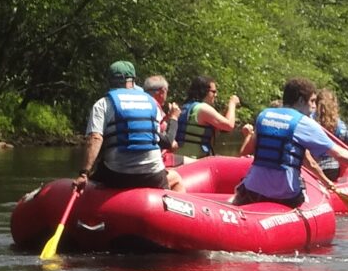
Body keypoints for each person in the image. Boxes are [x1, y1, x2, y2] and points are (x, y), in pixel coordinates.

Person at [234, 79, 348, 208]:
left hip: (253, 189)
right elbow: (339, 154)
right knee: (306, 195)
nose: (314, 106)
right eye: (312, 101)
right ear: (301, 100)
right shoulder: (304, 123)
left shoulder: (264, 115)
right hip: (285, 194)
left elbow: (249, 149)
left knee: (242, 188)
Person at [74, 61, 176, 192]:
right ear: (132, 81)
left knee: (95, 175)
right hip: (153, 174)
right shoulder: (151, 103)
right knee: (173, 179)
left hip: (117, 175)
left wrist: (84, 173)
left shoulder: (103, 104)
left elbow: (95, 138)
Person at [170, 75, 240, 162]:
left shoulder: (185, 107)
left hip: (179, 157)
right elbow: (229, 125)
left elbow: (220, 128)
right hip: (192, 159)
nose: (216, 95)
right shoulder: (202, 109)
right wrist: (232, 103)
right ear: (204, 91)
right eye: (213, 92)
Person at [311, 88, 348, 182]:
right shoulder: (341, 126)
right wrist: (343, 162)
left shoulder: (307, 122)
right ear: (335, 105)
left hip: (311, 171)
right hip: (332, 170)